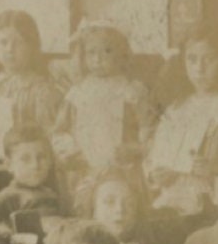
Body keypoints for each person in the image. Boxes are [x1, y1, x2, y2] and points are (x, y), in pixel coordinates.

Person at [145, 24, 218, 217]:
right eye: (192, 60)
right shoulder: (176, 108)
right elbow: (154, 155)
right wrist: (155, 174)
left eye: (209, 59)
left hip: (212, 199)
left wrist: (216, 169)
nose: (199, 68)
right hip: (171, 196)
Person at [53, 20, 155, 184]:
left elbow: (147, 128)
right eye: (91, 52)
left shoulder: (131, 91)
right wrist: (71, 151)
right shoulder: (77, 93)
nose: (98, 59)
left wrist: (137, 148)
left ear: (121, 54)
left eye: (107, 51)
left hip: (123, 168)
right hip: (84, 168)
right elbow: (60, 129)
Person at [0, 9, 62, 168]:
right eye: (3, 42)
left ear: (32, 47)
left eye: (18, 42)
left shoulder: (42, 91)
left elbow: (51, 138)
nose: (10, 49)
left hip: (29, 169)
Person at [0, 126, 69, 227]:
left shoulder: (51, 193)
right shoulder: (6, 198)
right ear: (9, 165)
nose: (35, 165)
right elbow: (0, 232)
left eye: (41, 157)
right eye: (25, 159)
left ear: (50, 160)